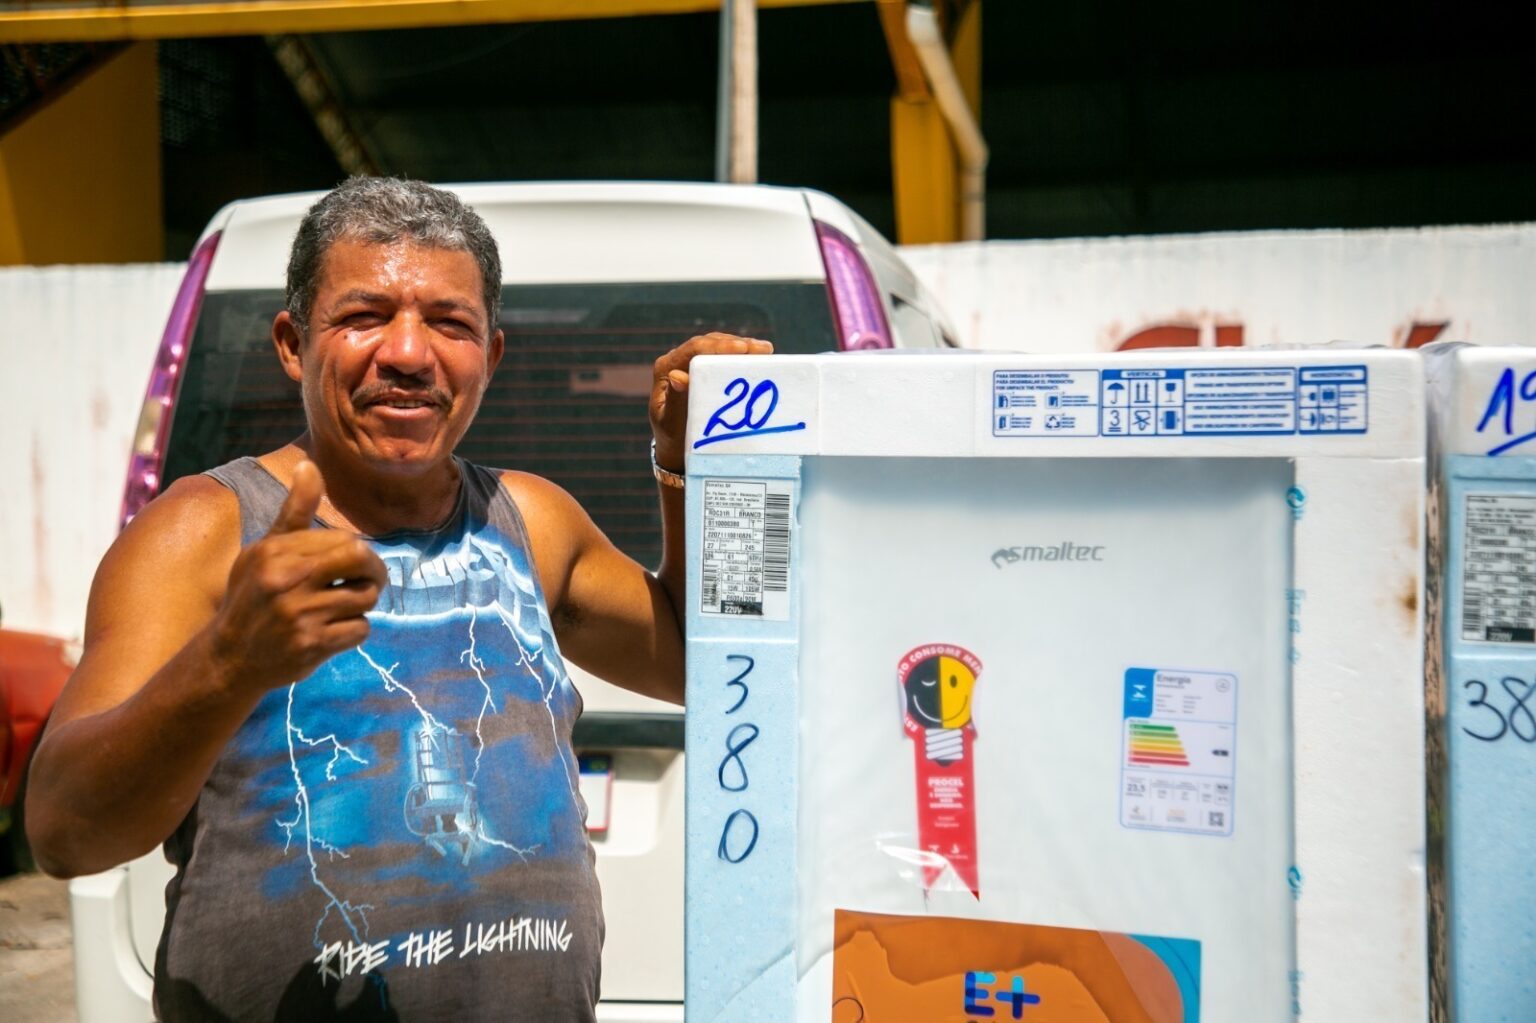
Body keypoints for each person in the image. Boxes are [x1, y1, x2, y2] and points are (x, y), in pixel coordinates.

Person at [25, 177, 769, 1020]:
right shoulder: (201, 532)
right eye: (364, 316)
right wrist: (229, 662)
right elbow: (61, 831)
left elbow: (710, 666)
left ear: (490, 353)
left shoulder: (531, 519)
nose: (409, 352)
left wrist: (697, 467)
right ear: (292, 344)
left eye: (449, 323)